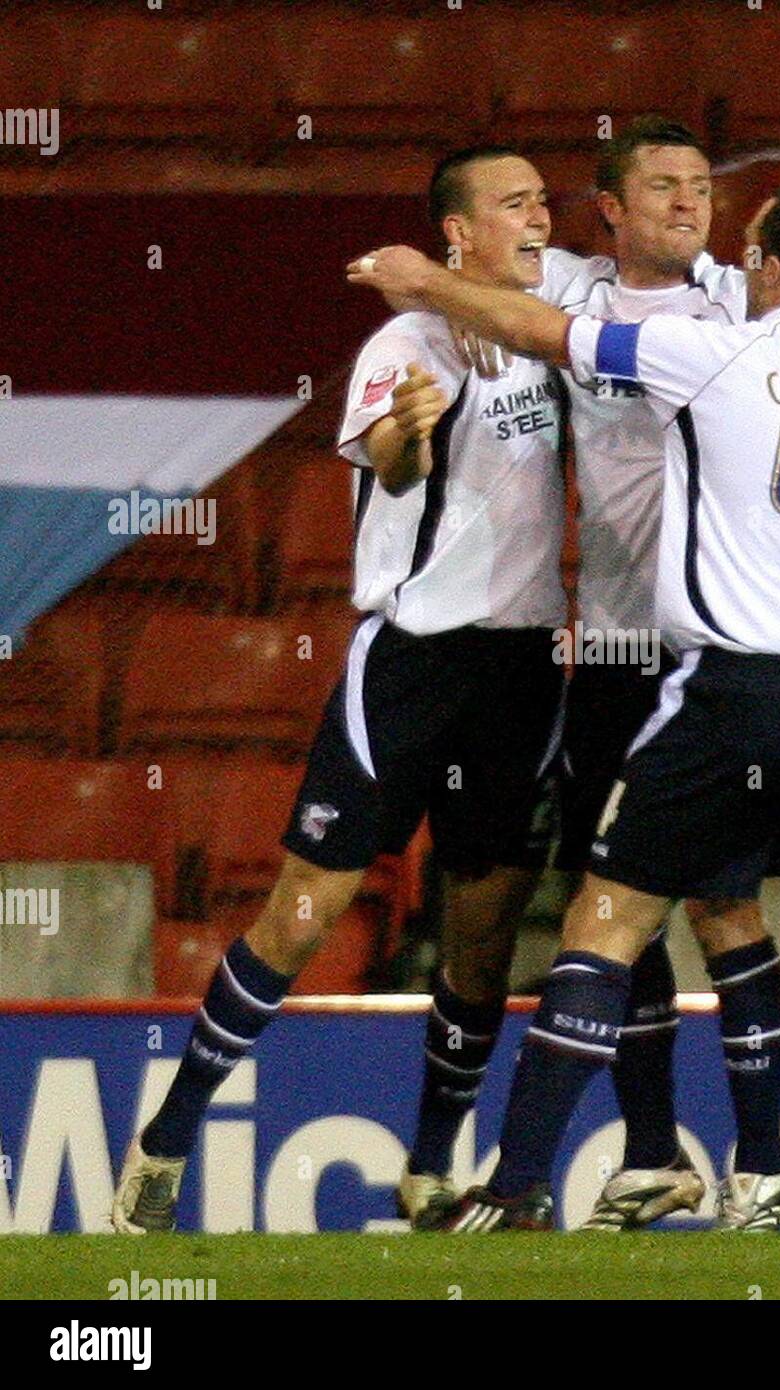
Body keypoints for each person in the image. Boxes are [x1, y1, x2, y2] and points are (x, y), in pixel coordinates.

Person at [352, 119, 780, 1231]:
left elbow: (540, 330)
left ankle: (528, 1184)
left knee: (616, 913)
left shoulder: (720, 334)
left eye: (714, 198)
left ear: (764, 264)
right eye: (665, 186)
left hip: (716, 677)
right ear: (613, 209)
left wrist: (422, 281)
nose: (696, 208)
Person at [112, 146, 571, 1234]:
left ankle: (429, 1167)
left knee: (485, 935)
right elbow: (386, 458)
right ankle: (167, 1139)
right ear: (458, 234)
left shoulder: (554, 327)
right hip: (411, 664)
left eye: (545, 200)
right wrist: (409, 434)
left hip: (520, 672)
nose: (540, 217)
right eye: (516, 205)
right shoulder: (405, 341)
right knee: (302, 913)